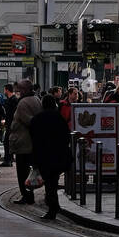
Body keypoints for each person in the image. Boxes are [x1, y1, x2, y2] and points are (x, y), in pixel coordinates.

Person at [30, 93, 71, 221]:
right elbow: (66, 136)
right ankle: (54, 205)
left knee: (49, 183)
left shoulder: (37, 118)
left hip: (44, 155)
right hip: (58, 155)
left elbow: (34, 139)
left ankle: (52, 208)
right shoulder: (59, 117)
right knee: (53, 180)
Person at [8, 81, 42, 204]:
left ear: (25, 89)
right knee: (27, 170)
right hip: (29, 141)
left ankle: (26, 195)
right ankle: (28, 195)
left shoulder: (23, 102)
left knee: (22, 171)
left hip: (23, 142)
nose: (19, 91)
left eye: (20, 89)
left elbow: (29, 121)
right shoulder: (36, 99)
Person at [1, 84, 18, 165]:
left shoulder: (13, 100)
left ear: (7, 90)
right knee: (8, 142)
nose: (4, 92)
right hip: (9, 123)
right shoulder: (10, 99)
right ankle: (9, 159)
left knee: (7, 142)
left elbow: (13, 113)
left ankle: (8, 160)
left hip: (12, 124)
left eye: (4, 90)